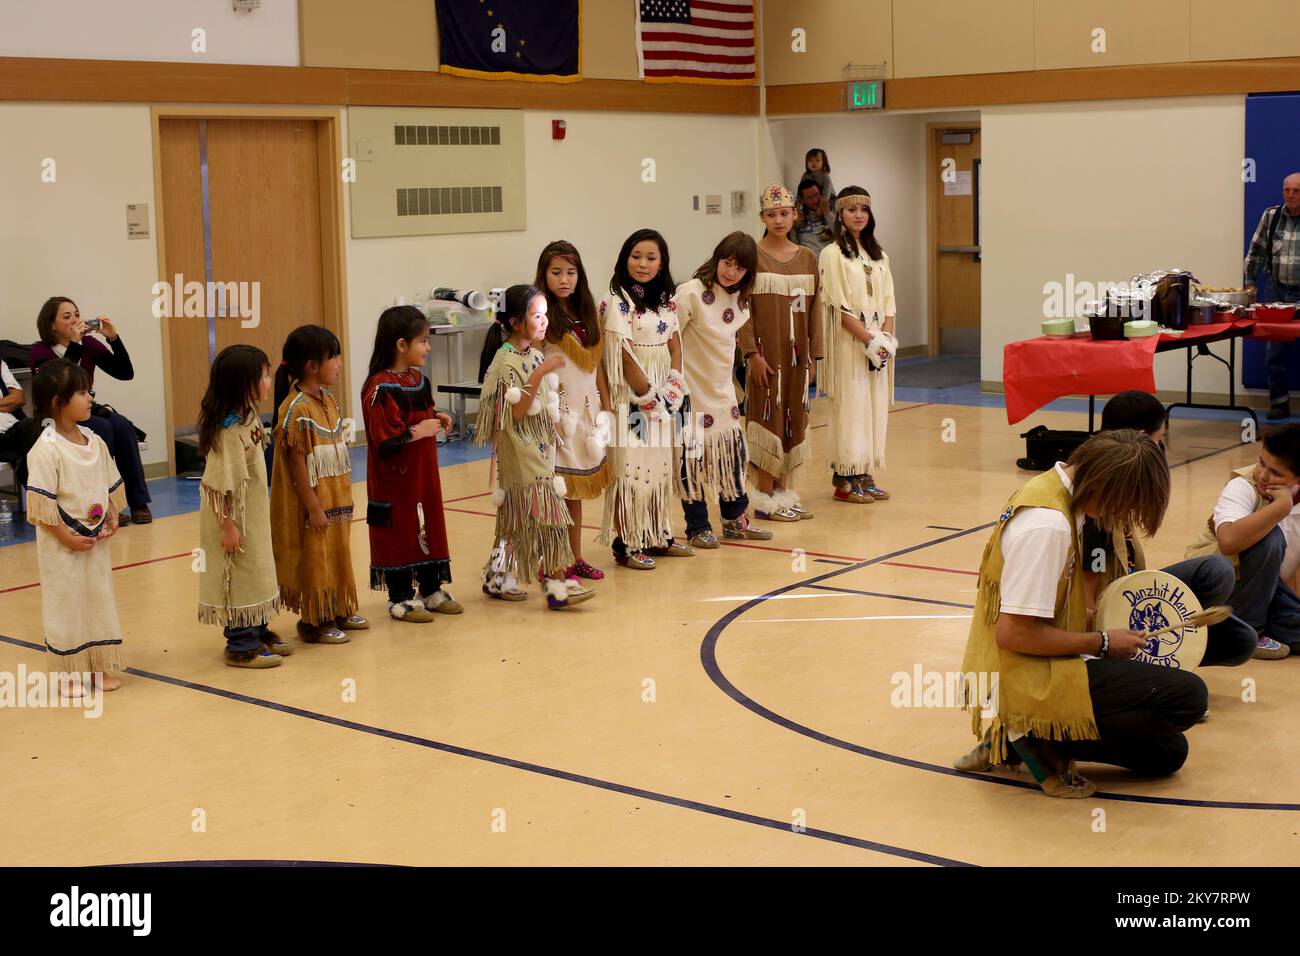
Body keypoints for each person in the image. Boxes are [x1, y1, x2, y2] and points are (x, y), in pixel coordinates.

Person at [955, 430, 1207, 798]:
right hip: (1023, 672)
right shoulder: (1048, 526)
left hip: (1037, 660)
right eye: (1127, 504)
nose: (1123, 516)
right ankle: (1030, 731)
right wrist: (1102, 642)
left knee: (1168, 753)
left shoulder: (1056, 490)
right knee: (1189, 697)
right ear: (1106, 484)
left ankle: (1016, 741)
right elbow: (1012, 634)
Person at [1082, 390, 1255, 668]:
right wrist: (1115, 634)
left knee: (1240, 637)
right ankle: (1145, 663)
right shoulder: (1097, 503)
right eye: (1160, 439)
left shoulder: (1114, 473)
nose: (1161, 448)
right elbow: (1086, 607)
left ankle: (1157, 657)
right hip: (1109, 620)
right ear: (1140, 438)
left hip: (1130, 597)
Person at [476, 284, 595, 610]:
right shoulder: (505, 361)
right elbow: (513, 412)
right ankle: (558, 583)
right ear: (515, 322)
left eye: (545, 315)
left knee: (516, 519)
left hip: (541, 446)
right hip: (519, 448)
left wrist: (559, 425)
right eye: (536, 315)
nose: (544, 321)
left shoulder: (535, 354)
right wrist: (540, 374)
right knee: (549, 514)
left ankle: (497, 575)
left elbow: (544, 402)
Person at [24, 359, 128, 697]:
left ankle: (99, 666)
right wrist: (65, 535)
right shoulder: (46, 449)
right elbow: (41, 503)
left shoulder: (94, 441)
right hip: (61, 544)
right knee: (66, 602)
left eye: (88, 391)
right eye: (82, 393)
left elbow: (108, 481)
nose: (89, 398)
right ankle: (68, 672)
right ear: (58, 402)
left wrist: (112, 513)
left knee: (99, 598)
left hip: (94, 539)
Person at [598, 228, 694, 570]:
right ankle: (626, 542)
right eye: (636, 256)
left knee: (660, 465)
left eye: (651, 258)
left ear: (662, 262)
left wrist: (674, 382)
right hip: (633, 398)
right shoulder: (617, 300)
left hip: (664, 395)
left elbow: (675, 342)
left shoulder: (666, 299)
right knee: (631, 467)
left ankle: (658, 534)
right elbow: (620, 353)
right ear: (625, 259)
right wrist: (648, 395)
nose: (643, 263)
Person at [271, 325, 368, 644]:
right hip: (313, 504)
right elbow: (296, 464)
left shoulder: (327, 400)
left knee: (339, 553)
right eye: (334, 357)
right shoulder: (296, 408)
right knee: (317, 560)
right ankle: (316, 620)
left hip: (336, 498)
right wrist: (312, 507)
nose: (339, 363)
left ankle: (339, 608)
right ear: (312, 366)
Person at [362, 306, 460, 623]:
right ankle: (400, 597)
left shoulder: (418, 380)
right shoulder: (379, 387)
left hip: (423, 474)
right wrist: (420, 431)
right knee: (401, 531)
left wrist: (437, 417)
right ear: (401, 345)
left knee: (428, 524)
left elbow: (422, 415)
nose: (428, 348)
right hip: (395, 479)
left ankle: (431, 590)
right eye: (423, 341)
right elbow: (385, 441)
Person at [674, 231, 771, 547]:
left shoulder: (739, 300)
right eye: (727, 263)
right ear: (716, 259)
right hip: (691, 391)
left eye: (739, 268)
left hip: (722, 391)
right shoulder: (690, 294)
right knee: (692, 460)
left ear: (748, 273)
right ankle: (697, 526)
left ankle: (735, 518)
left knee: (732, 455)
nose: (731, 272)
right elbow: (671, 343)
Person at [196, 345, 287, 668]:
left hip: (253, 514)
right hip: (232, 519)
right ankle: (241, 645)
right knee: (239, 578)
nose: (269, 379)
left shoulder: (248, 417)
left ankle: (259, 630)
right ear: (244, 383)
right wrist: (227, 526)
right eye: (264, 375)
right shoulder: (228, 431)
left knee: (259, 572)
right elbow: (218, 486)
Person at [738, 184, 821, 522]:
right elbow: (741, 309)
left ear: (794, 215)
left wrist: (815, 356)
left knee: (792, 416)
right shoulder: (752, 257)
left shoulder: (807, 258)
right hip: (764, 355)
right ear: (762, 217)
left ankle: (784, 492)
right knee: (765, 416)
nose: (778, 219)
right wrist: (750, 354)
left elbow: (815, 310)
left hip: (797, 357)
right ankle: (764, 496)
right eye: (771, 214)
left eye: (784, 213)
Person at [30, 297, 152, 523]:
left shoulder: (89, 344)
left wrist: (114, 339)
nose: (76, 320)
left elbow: (125, 373)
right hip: (57, 416)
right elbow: (58, 382)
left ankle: (138, 502)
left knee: (123, 427)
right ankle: (103, 503)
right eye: (67, 317)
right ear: (51, 325)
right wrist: (75, 345)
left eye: (76, 314)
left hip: (85, 409)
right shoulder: (40, 351)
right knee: (102, 429)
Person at [1185, 423, 1300, 659]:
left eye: (1276, 473)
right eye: (1261, 463)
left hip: (1268, 592)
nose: (1263, 475)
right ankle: (1250, 632)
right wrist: (1281, 506)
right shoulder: (1243, 485)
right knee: (1270, 536)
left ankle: (1255, 627)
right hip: (1219, 588)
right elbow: (1228, 541)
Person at [535, 240, 614, 580]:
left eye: (571, 272)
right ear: (544, 275)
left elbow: (598, 368)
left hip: (585, 415)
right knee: (555, 492)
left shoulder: (587, 314)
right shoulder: (540, 317)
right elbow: (531, 366)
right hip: (556, 415)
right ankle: (552, 563)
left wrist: (607, 407)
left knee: (575, 494)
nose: (564, 279)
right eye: (556, 273)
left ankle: (575, 556)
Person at [818, 186, 896, 504]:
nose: (859, 215)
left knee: (874, 406)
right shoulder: (832, 254)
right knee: (852, 407)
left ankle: (866, 472)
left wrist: (884, 341)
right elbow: (838, 307)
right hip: (850, 342)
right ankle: (846, 477)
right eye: (851, 210)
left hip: (877, 341)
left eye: (864, 209)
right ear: (840, 214)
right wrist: (868, 339)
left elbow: (890, 303)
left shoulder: (879, 255)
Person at [1245, 172, 1300, 419]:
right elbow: (1255, 250)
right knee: (1274, 350)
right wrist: (1249, 282)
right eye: (1287, 190)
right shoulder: (1271, 216)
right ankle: (1278, 401)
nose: (1290, 195)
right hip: (1276, 289)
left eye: (1296, 191)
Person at [793, 178, 834, 257]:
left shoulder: (832, 210)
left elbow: (841, 235)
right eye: (809, 198)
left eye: (817, 195)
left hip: (831, 261)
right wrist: (793, 224)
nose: (815, 200)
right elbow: (794, 246)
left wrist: (827, 213)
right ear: (802, 200)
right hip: (810, 264)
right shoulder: (798, 216)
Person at [803, 148, 835, 216]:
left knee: (830, 205)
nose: (813, 163)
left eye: (817, 160)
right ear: (806, 162)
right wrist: (799, 201)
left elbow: (826, 193)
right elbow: (801, 190)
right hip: (814, 197)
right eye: (810, 161)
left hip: (828, 197)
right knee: (805, 205)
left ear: (824, 162)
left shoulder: (825, 175)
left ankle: (825, 219)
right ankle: (807, 219)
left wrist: (821, 207)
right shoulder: (806, 176)